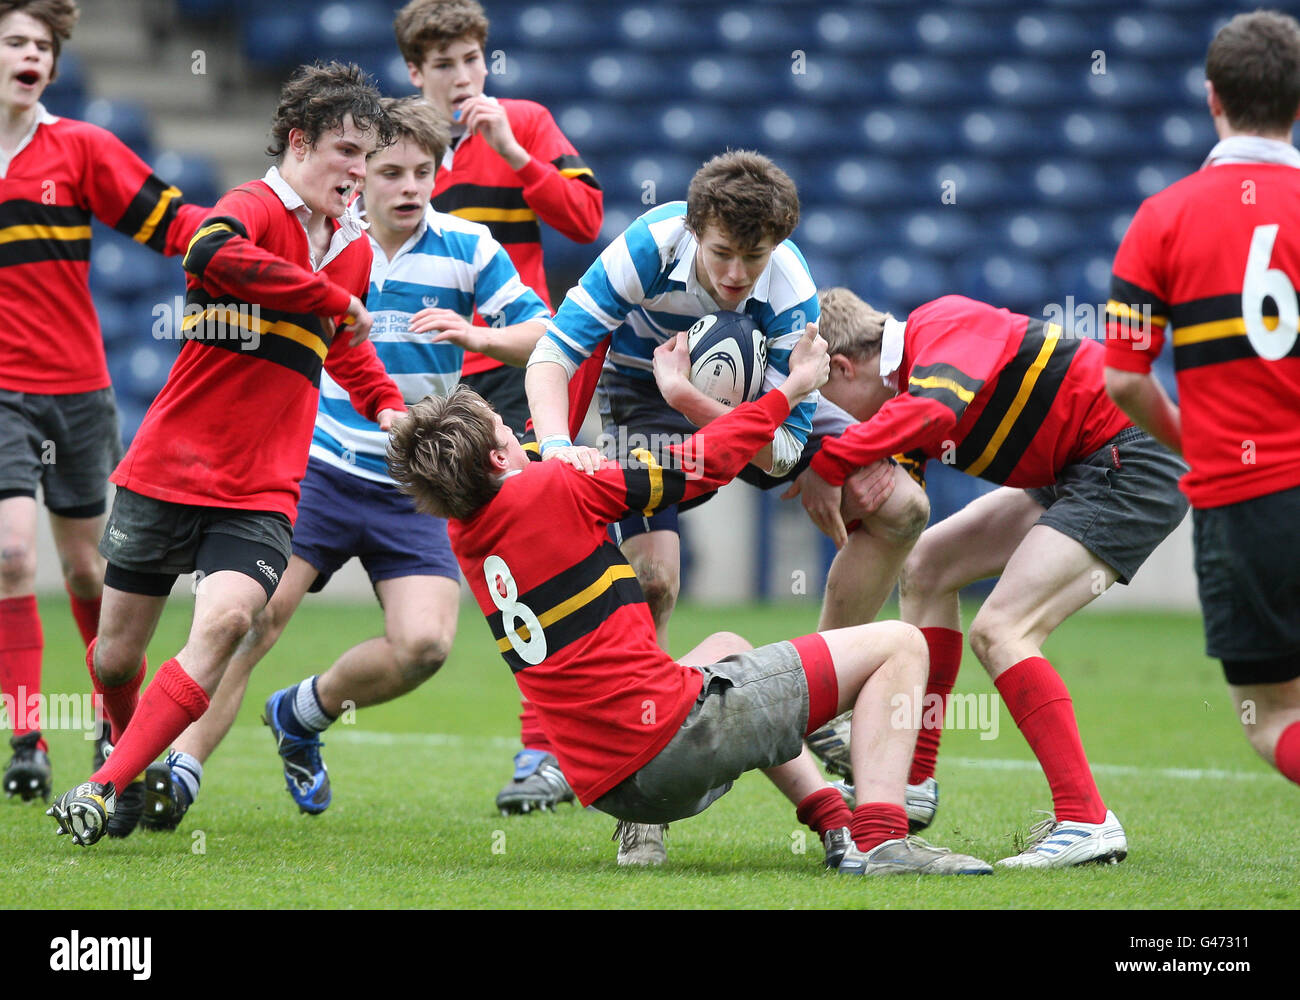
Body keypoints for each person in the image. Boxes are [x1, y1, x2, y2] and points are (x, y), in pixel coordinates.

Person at [387, 325, 992, 876]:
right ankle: (886, 841)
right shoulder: (553, 487)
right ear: (499, 460)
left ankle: (834, 821)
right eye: (507, 433)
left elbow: (529, 485)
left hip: (610, 788)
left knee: (727, 649)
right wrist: (788, 391)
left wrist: (555, 458)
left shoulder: (465, 533)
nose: (525, 436)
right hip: (675, 747)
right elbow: (700, 465)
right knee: (902, 645)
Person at [138, 97, 550, 828]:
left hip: (416, 485)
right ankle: (181, 771)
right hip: (320, 466)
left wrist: (477, 338)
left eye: (423, 170)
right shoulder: (326, 242)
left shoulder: (470, 248)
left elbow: (547, 334)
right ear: (359, 174)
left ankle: (303, 711)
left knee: (425, 646)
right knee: (252, 621)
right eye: (389, 170)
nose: (408, 185)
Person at [44, 62, 406, 847]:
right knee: (113, 662)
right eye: (346, 150)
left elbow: (340, 348)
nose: (358, 171)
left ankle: (103, 788)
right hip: (169, 468)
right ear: (299, 143)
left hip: (263, 486)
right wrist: (327, 297)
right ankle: (125, 751)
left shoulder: (351, 250)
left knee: (231, 617)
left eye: (367, 157)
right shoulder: (251, 205)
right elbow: (205, 253)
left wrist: (390, 407)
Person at [526, 151, 930, 853]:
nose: (737, 275)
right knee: (653, 581)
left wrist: (721, 405)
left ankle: (823, 689)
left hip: (762, 411)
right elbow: (552, 354)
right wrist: (559, 447)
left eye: (755, 256)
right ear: (693, 230)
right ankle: (642, 791)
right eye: (722, 254)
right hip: (644, 403)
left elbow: (778, 450)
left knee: (902, 507)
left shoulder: (792, 286)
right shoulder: (649, 246)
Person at [801, 288, 1188, 868]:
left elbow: (937, 412)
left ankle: (1087, 820)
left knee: (1002, 629)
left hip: (1130, 460)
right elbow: (889, 531)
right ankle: (911, 780)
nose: (823, 414)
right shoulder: (898, 399)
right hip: (1076, 468)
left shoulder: (942, 323)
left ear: (842, 367)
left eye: (819, 396)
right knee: (926, 566)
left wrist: (833, 461)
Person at [395, 0, 607, 811]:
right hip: (428, 374)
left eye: (473, 59)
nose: (462, 76)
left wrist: (515, 153)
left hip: (516, 368)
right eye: (443, 63)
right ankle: (299, 709)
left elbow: (584, 220)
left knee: (534, 550)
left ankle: (541, 753)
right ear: (416, 72)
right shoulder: (404, 148)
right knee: (484, 560)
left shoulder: (523, 123)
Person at [0, 0, 209, 804]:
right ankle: (25, 734)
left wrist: (252, 236)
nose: (32, 55)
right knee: (15, 554)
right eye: (16, 41)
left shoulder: (80, 148)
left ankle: (116, 724)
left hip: (78, 394)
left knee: (88, 568)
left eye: (44, 46)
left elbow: (172, 222)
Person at [1104, 10, 1300, 790]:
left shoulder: (1163, 218)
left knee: (1274, 716)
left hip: (1246, 499)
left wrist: (1196, 441)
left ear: (1212, 97)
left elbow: (1123, 378)